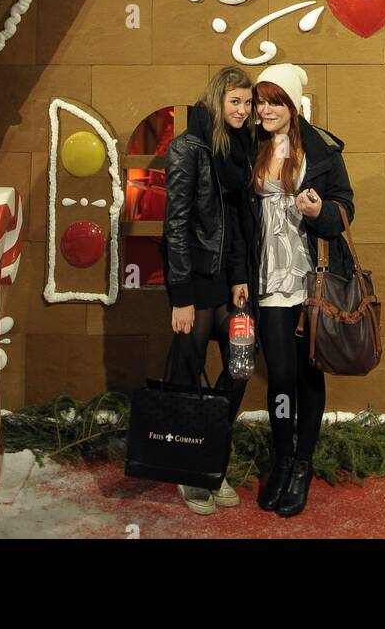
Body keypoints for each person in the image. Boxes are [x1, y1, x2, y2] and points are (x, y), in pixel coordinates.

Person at [230, 63, 354, 519]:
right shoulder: (249, 147)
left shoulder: (321, 150)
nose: (263, 109)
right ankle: (282, 458)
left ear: (292, 104)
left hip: (311, 283)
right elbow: (240, 220)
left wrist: (321, 209)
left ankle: (302, 464)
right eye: (260, 100)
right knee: (280, 376)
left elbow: (346, 209)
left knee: (308, 374)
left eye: (274, 101)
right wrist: (239, 275)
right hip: (268, 283)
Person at [160, 66, 254, 515]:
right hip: (193, 286)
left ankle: (214, 456)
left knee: (239, 366)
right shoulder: (187, 148)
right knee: (188, 377)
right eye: (235, 101)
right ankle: (190, 471)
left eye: (248, 102)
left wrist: (239, 275)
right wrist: (180, 295)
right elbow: (175, 224)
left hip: (227, 283)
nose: (243, 110)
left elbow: (235, 221)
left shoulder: (237, 149)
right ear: (218, 101)